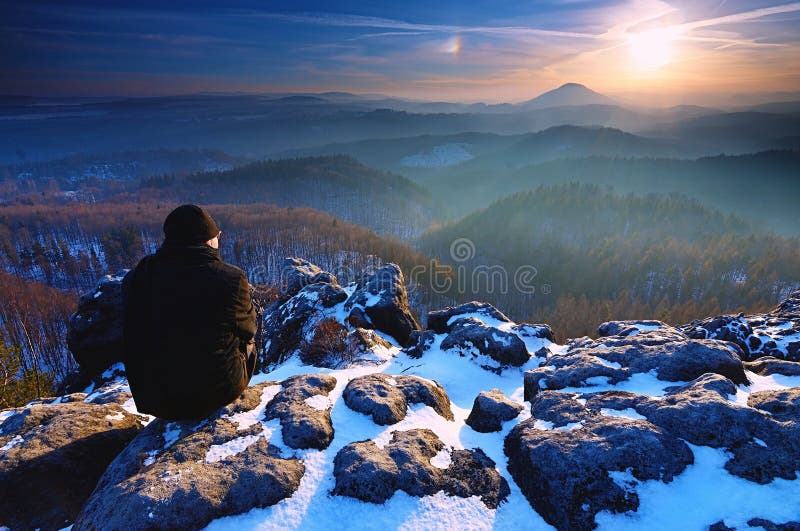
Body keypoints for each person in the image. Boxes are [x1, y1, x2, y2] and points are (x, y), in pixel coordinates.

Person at [122, 204, 257, 420]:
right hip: (212, 396)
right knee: (246, 338)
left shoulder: (136, 277)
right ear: (208, 240)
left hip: (157, 400)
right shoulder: (231, 280)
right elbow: (248, 331)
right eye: (217, 236)